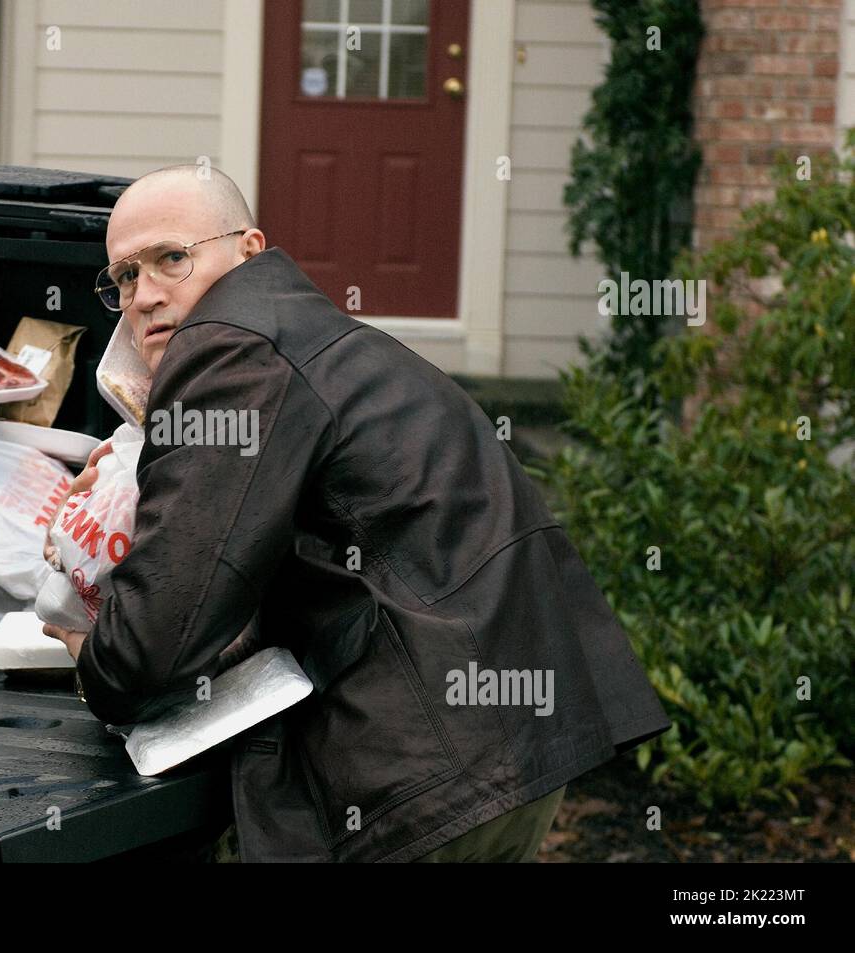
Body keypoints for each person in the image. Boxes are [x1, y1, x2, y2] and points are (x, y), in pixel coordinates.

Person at [41, 164, 670, 863]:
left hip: (423, 771)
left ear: (249, 249)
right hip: (504, 753)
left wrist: (91, 652)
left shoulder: (232, 349)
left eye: (171, 259)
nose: (145, 295)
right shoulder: (318, 339)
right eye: (123, 277)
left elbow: (159, 634)